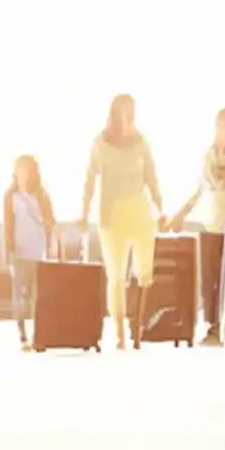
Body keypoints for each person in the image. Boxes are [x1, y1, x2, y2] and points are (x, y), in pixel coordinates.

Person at [80, 94, 166, 350]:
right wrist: (84, 213)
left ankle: (137, 326)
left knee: (144, 273)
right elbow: (90, 179)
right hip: (111, 216)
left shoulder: (141, 142)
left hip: (139, 213)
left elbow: (151, 177)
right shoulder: (100, 144)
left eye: (129, 114)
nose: (124, 119)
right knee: (116, 276)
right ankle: (119, 331)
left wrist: (161, 207)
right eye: (120, 114)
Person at [169, 107, 225, 345]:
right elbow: (200, 189)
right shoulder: (208, 157)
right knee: (209, 280)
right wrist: (180, 214)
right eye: (223, 126)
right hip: (211, 227)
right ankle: (212, 326)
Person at [2, 154, 55, 351]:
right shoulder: (11, 197)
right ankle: (22, 334)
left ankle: (38, 334)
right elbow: (8, 225)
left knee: (38, 294)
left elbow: (50, 219)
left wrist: (49, 234)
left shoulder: (41, 195)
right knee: (20, 294)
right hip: (19, 252)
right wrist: (8, 250)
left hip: (39, 251)